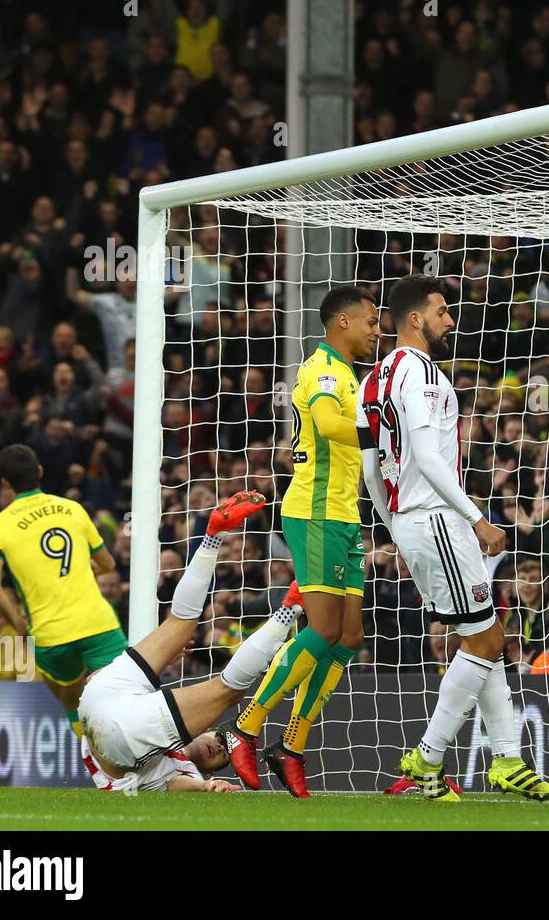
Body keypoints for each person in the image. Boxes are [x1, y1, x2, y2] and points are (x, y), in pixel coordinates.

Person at [359, 274, 549, 801]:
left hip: (414, 521)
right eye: (442, 311)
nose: (450, 320)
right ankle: (426, 758)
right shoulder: (421, 371)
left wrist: (395, 529)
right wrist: (476, 518)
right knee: (488, 640)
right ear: (414, 318)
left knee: (484, 636)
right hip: (440, 519)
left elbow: (370, 468)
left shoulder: (373, 379)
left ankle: (509, 760)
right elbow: (427, 458)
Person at [227, 287, 381, 798]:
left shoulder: (348, 373)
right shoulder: (323, 371)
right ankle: (246, 728)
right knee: (322, 630)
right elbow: (328, 423)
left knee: (349, 636)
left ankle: (291, 745)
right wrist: (383, 424)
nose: (376, 331)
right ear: (342, 322)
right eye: (370, 322)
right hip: (313, 512)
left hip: (342, 515)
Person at [79, 490, 299, 792]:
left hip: (105, 713)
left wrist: (205, 787)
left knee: (218, 677)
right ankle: (220, 543)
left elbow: (179, 784)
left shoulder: (183, 769)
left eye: (218, 753)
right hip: (107, 708)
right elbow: (186, 783)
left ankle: (287, 601)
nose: (218, 749)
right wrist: (208, 787)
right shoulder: (181, 765)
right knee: (191, 637)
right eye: (221, 743)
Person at [0, 444, 127, 737]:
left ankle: (93, 762)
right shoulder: (73, 508)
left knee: (70, 698)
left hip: (48, 633)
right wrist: (80, 573)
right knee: (127, 693)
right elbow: (108, 563)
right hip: (97, 622)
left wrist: (19, 625)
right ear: (40, 472)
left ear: (5, 483)